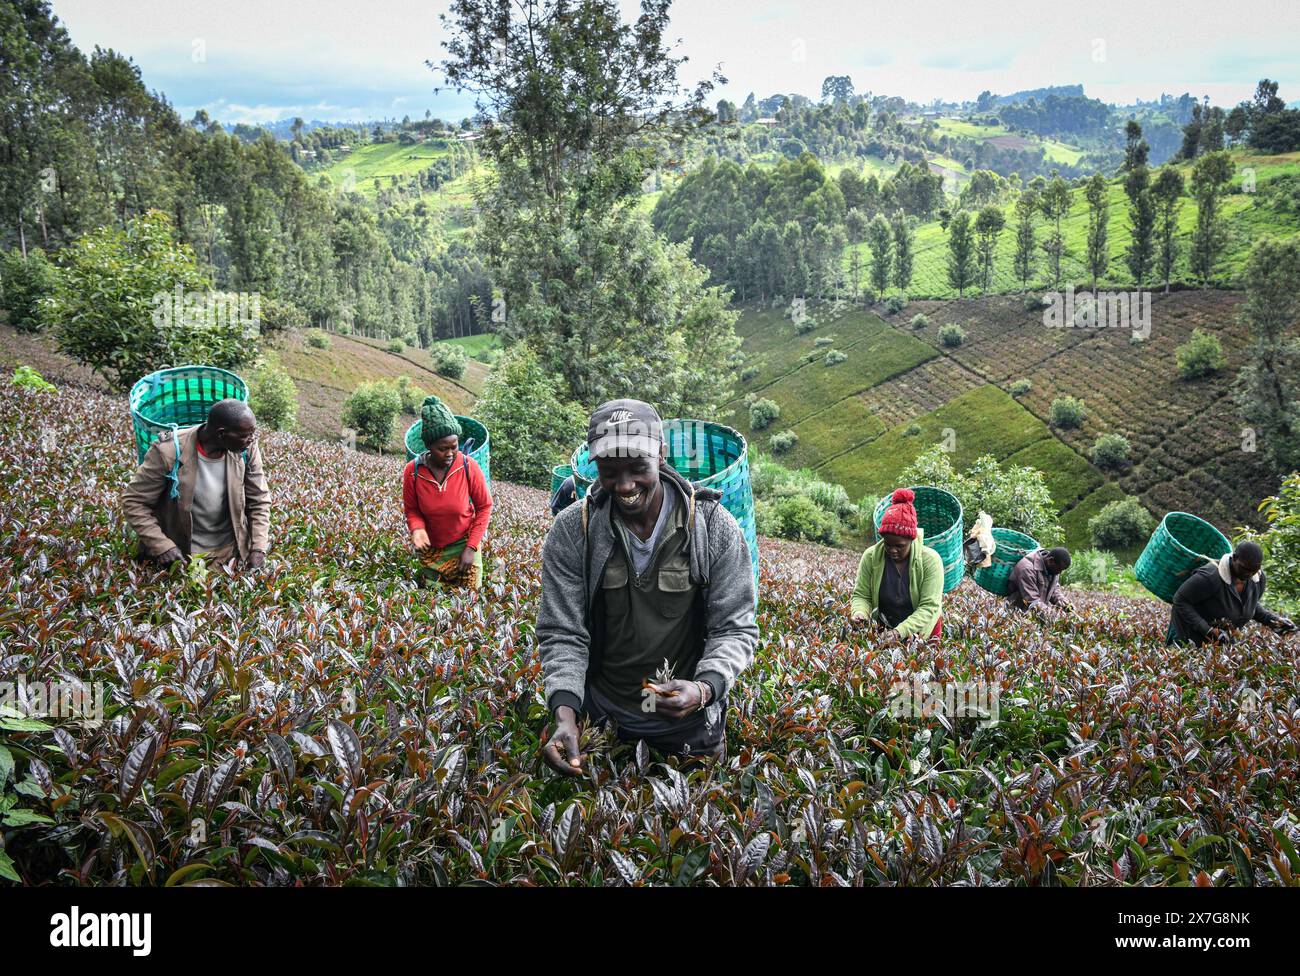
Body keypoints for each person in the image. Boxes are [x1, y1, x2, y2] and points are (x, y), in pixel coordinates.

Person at [536, 399, 758, 775]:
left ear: (661, 453)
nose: (624, 485)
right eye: (609, 470)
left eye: (638, 468)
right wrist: (564, 712)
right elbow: (563, 632)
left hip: (682, 715)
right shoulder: (574, 531)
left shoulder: (711, 526)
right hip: (604, 706)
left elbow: (734, 627)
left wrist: (704, 689)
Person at [122, 398, 269, 569]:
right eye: (245, 435)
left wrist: (258, 548)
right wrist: (163, 546)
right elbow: (134, 502)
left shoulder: (246, 449)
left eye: (252, 433)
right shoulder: (168, 452)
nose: (251, 439)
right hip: (183, 555)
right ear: (221, 434)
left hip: (229, 553)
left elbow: (259, 499)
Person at [402, 396, 492, 590]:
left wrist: (472, 547)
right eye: (443, 449)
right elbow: (412, 510)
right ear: (429, 447)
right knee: (435, 602)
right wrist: (417, 529)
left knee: (468, 602)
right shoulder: (413, 471)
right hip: (432, 551)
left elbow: (484, 507)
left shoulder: (469, 466)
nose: (450, 453)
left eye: (454, 446)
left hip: (465, 545)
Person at [850, 488, 944, 642]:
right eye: (888, 544)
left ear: (911, 540)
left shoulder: (930, 561)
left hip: (922, 631)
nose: (892, 550)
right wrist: (860, 612)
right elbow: (862, 595)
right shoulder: (871, 556)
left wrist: (899, 633)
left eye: (899, 546)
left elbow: (929, 607)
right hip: (884, 627)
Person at [1168, 540, 1296, 645]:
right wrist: (1207, 630)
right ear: (1234, 558)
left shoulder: (1257, 579)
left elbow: (1249, 606)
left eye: (1254, 570)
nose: (1249, 574)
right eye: (1245, 568)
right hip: (1189, 637)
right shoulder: (1210, 577)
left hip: (1221, 641)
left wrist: (1275, 621)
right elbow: (1180, 600)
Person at [1007, 546, 1074, 616]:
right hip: (1017, 613)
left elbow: (1054, 589)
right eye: (1059, 569)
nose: (1059, 573)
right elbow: (1032, 600)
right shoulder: (1027, 569)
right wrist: (1054, 615)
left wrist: (1064, 603)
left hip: (1038, 613)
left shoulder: (1053, 567)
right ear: (1050, 560)